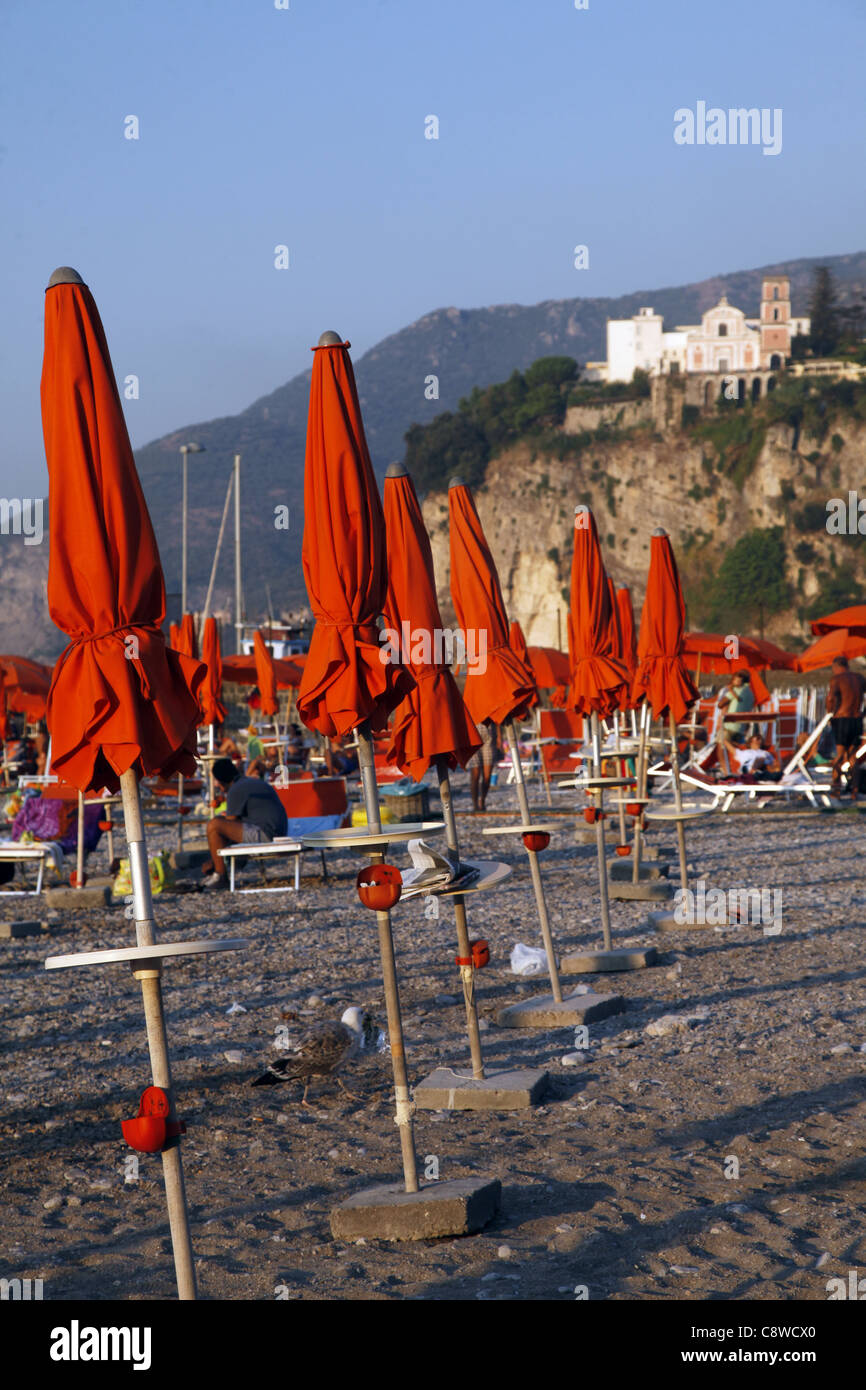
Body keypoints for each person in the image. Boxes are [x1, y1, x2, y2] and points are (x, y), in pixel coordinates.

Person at [203, 757, 288, 888]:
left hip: (268, 834)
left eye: (215, 780)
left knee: (214, 825)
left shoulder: (236, 789)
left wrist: (213, 860)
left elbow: (227, 828)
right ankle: (223, 868)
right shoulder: (248, 782)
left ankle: (220, 876)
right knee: (219, 822)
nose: (215, 784)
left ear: (221, 781)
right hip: (278, 831)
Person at [827, 656, 866, 798]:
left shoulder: (836, 679)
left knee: (839, 756)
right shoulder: (859, 678)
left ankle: (836, 788)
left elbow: (830, 698)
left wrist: (830, 714)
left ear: (836, 667)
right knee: (853, 757)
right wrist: (863, 712)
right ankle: (855, 790)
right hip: (856, 719)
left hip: (842, 718)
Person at [718, 672, 755, 774]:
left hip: (730, 726)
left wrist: (729, 690)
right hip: (741, 727)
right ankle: (738, 772)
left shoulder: (736, 691)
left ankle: (726, 772)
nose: (734, 681)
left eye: (736, 680)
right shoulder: (751, 694)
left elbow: (720, 704)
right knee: (736, 750)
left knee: (721, 749)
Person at [468, 719, 499, 812]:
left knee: (487, 776)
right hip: (472, 732)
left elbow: (497, 716)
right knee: (475, 773)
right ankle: (475, 804)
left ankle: (482, 800)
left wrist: (499, 736)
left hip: (489, 733)